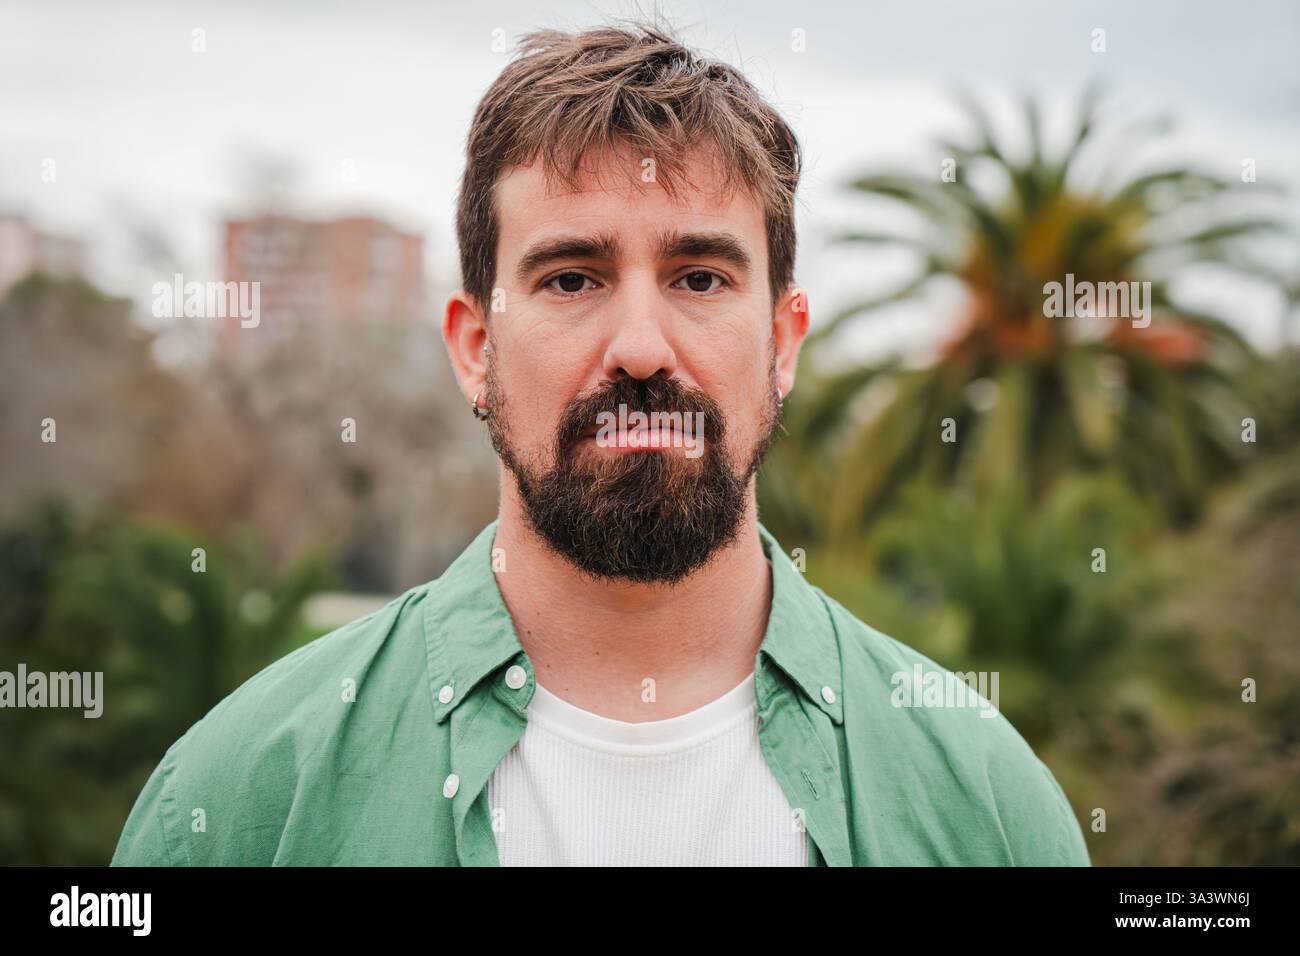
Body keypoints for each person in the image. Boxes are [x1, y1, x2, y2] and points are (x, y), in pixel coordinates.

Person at [111, 21, 1090, 867]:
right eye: (572, 277)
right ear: (476, 347)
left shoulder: (987, 805)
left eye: (699, 276)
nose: (638, 347)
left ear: (783, 342)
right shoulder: (244, 798)